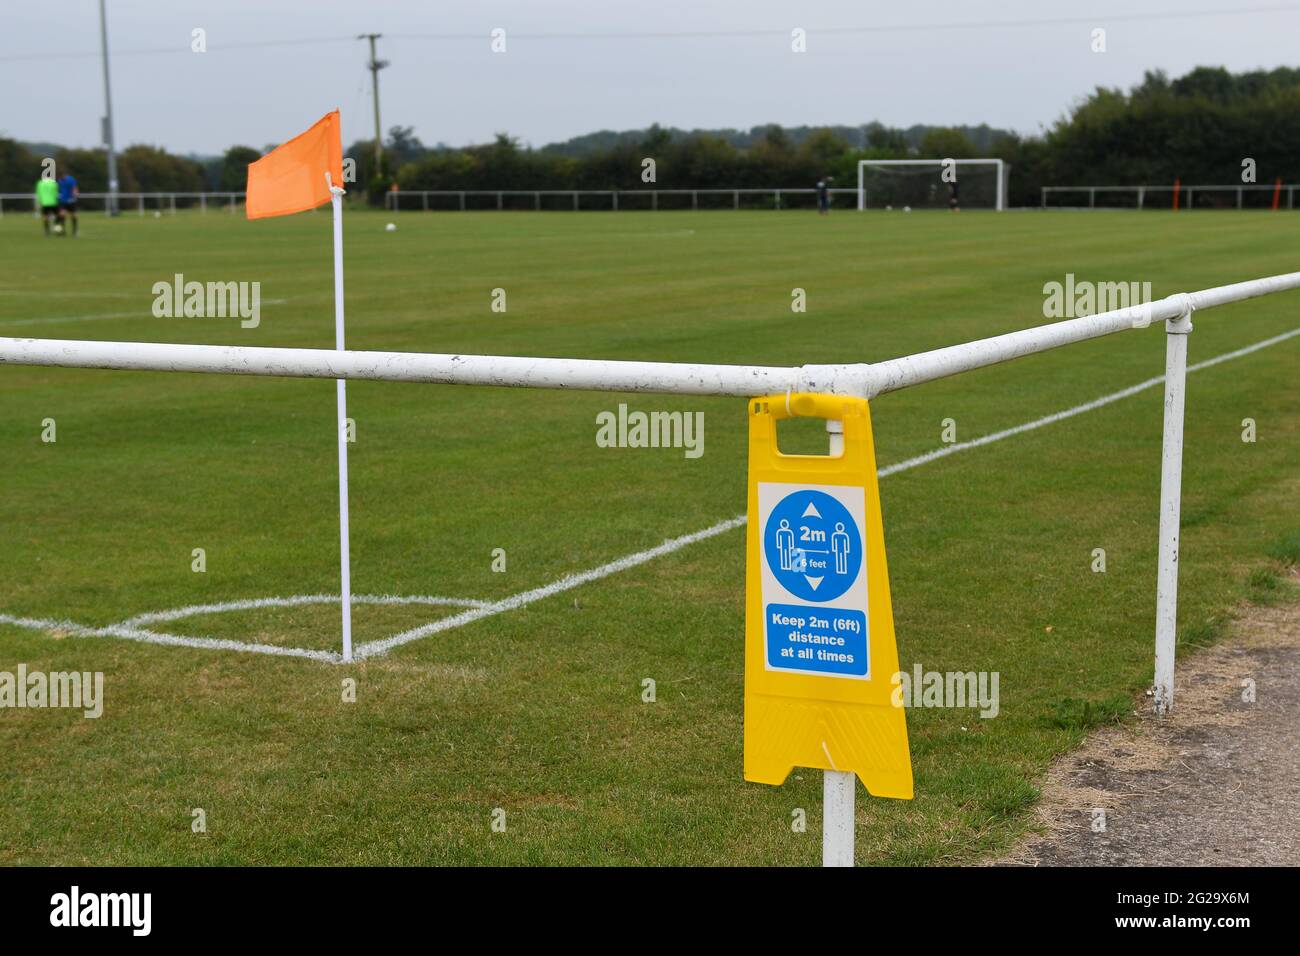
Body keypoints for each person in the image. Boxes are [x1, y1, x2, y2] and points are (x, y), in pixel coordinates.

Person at [58, 170, 79, 236]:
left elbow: (74, 188)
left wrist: (75, 194)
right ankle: (62, 231)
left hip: (71, 200)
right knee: (62, 215)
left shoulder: (70, 179)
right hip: (63, 201)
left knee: (73, 215)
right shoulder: (59, 181)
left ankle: (74, 231)